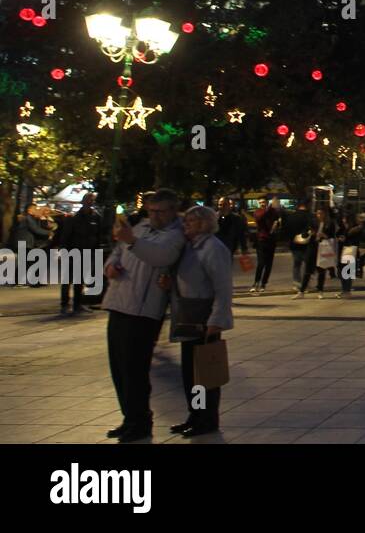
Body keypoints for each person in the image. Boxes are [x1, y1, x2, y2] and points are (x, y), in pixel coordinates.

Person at [102, 189, 187, 442]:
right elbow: (117, 251)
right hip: (119, 302)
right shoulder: (140, 228)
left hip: (143, 310)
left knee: (135, 369)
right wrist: (111, 266)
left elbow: (159, 255)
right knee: (118, 367)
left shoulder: (175, 234)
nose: (155, 215)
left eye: (160, 211)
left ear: (173, 210)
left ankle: (140, 421)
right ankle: (129, 417)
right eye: (151, 210)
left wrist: (132, 241)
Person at [166, 205, 234, 438]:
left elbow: (223, 287)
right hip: (188, 314)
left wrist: (217, 319)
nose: (186, 226)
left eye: (191, 222)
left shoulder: (213, 248)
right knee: (190, 373)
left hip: (204, 317)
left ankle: (206, 418)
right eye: (186, 222)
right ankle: (194, 414)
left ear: (204, 223)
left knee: (204, 373)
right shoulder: (190, 247)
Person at [56, 195, 101, 314]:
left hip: (87, 253)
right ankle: (65, 305)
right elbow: (65, 236)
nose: (90, 202)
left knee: (79, 280)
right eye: (88, 200)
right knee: (67, 280)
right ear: (83, 202)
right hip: (73, 252)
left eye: (92, 200)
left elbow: (97, 235)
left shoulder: (95, 217)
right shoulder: (74, 218)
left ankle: (77, 304)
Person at [293, 208, 338, 299]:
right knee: (307, 270)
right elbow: (304, 233)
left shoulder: (330, 223)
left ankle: (320, 291)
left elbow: (332, 236)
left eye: (321, 213)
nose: (319, 215)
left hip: (323, 248)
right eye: (318, 213)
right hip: (312, 247)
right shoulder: (313, 223)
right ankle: (302, 291)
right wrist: (310, 233)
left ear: (325, 214)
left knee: (321, 270)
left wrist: (324, 235)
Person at [250, 200, 281, 293]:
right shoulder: (258, 212)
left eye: (264, 202)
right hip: (261, 240)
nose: (262, 204)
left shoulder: (273, 212)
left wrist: (277, 224)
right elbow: (260, 218)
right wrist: (269, 209)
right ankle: (256, 283)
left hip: (271, 240)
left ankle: (263, 283)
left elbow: (278, 220)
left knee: (269, 264)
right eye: (260, 203)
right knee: (261, 263)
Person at [286, 202, 312, 284]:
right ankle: (305, 283)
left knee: (297, 264)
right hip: (307, 243)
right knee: (307, 263)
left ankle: (297, 282)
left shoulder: (291, 216)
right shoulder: (309, 216)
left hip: (294, 243)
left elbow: (287, 229)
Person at [338, 211, 363, 298]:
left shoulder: (351, 229)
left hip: (348, 251)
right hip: (352, 251)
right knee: (348, 272)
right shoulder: (355, 228)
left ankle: (346, 291)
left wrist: (342, 239)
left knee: (345, 272)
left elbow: (347, 238)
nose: (343, 220)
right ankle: (346, 290)